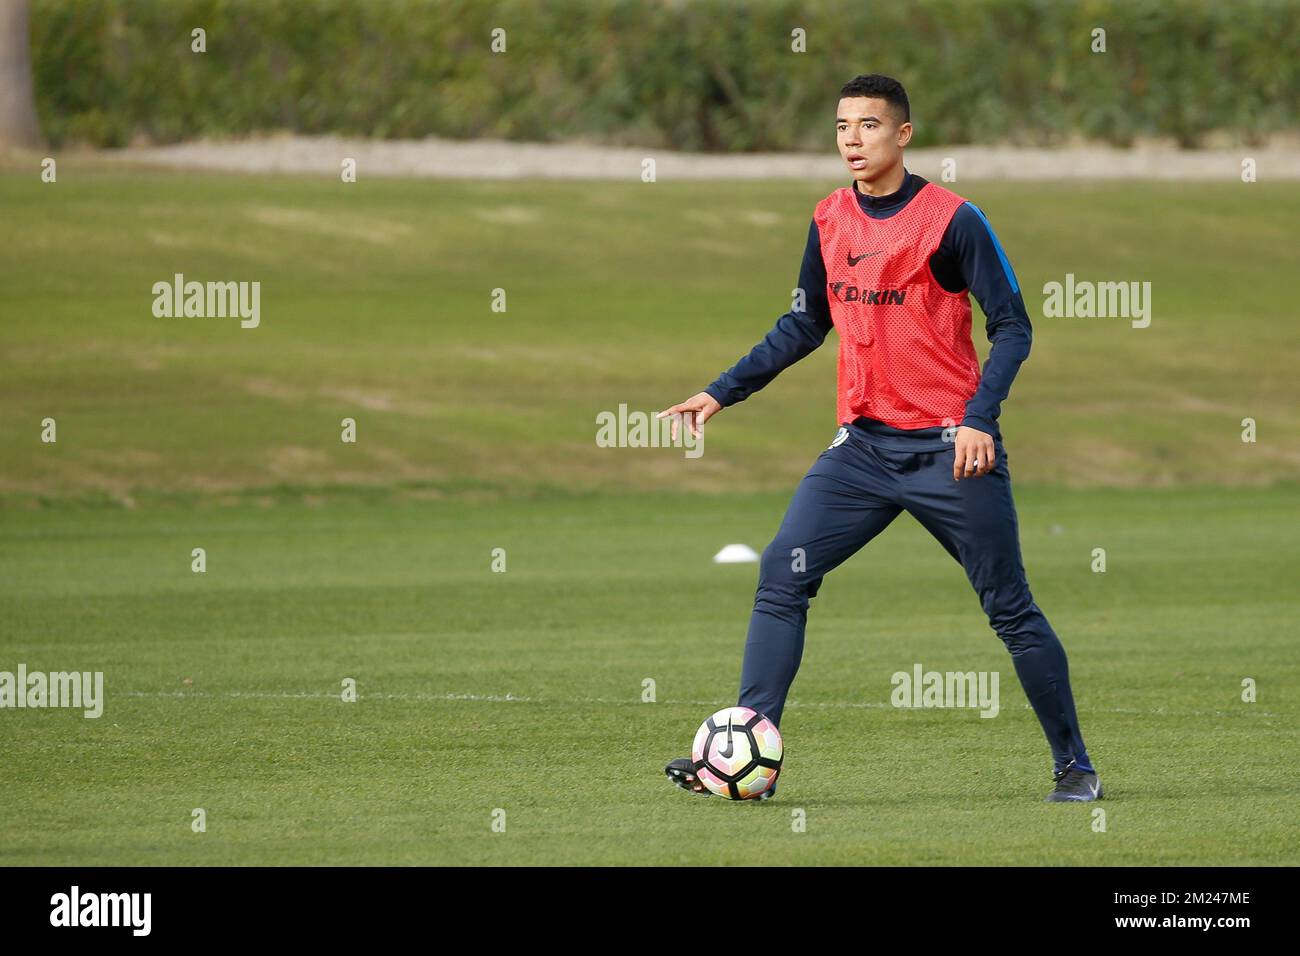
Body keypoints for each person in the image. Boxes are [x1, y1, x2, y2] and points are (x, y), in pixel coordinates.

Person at [659, 74, 1101, 803]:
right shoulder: (830, 217)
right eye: (841, 126)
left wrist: (981, 419)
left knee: (1010, 608)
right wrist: (720, 391)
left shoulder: (953, 220)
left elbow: (1014, 326)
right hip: (862, 452)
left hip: (951, 451)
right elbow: (805, 321)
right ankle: (746, 756)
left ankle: (1074, 765)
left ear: (903, 135)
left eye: (868, 125)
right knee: (782, 575)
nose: (852, 139)